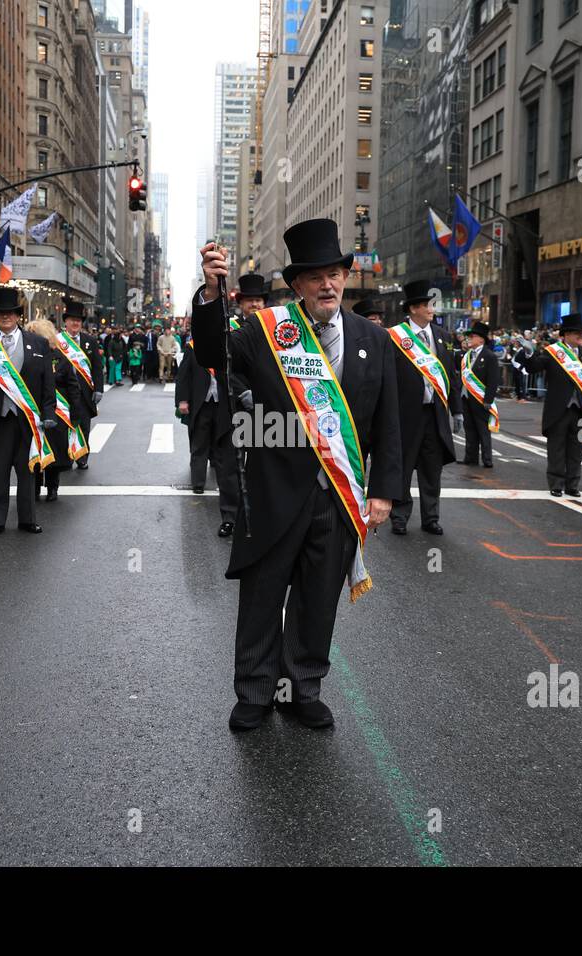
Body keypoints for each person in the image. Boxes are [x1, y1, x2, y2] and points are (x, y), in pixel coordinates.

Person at [191, 218, 401, 732]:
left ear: (344, 278)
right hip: (274, 491)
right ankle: (256, 691)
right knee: (264, 594)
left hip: (338, 498)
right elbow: (213, 351)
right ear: (298, 285)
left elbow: (389, 421)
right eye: (315, 276)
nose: (327, 284)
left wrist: (385, 493)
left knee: (317, 599)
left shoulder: (373, 339)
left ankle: (302, 686)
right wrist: (212, 292)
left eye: (334, 273)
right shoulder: (269, 332)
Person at [0, 286, 57, 533]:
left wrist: (49, 414)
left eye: (10, 313)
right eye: (0, 313)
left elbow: (47, 385)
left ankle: (27, 519)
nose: (5, 317)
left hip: (29, 420)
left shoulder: (38, 343)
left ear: (18, 316)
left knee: (28, 470)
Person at [387, 279, 461, 536]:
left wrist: (457, 410)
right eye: (428, 305)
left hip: (434, 413)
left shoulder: (442, 337)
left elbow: (452, 376)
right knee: (403, 466)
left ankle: (431, 517)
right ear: (414, 309)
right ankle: (399, 516)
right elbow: (387, 378)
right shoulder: (394, 336)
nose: (433, 309)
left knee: (432, 468)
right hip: (406, 413)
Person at [175, 330, 241, 536]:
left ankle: (225, 487)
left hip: (223, 406)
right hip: (201, 404)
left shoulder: (230, 345)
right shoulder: (193, 347)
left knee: (223, 449)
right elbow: (184, 375)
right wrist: (183, 400)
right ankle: (198, 482)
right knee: (199, 443)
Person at [530, 314, 582, 496]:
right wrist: (529, 353)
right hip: (558, 409)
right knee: (556, 449)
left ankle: (573, 484)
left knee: (577, 449)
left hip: (581, 410)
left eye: (581, 332)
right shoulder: (553, 352)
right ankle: (556, 483)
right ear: (566, 334)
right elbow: (534, 367)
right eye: (576, 332)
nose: (580, 336)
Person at [26, 317, 82, 502]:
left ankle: (52, 488)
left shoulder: (61, 358)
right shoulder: (27, 357)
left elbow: (73, 387)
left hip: (57, 413)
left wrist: (75, 413)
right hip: (34, 411)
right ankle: (33, 489)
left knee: (55, 455)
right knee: (34, 452)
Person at [58, 299, 103, 469]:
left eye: (78, 320)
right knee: (65, 426)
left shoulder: (90, 341)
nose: (75, 323)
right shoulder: (57, 341)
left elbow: (98, 367)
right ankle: (67, 457)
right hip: (63, 392)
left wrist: (99, 389)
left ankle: (82, 457)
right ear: (66, 322)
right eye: (72, 320)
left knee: (83, 426)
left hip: (84, 392)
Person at [460, 321, 500, 468]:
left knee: (483, 430)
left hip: (480, 398)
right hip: (466, 397)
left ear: (481, 339)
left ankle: (487, 459)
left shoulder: (489, 356)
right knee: (469, 428)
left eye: (473, 336)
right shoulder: (467, 355)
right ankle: (470, 457)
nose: (470, 338)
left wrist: (489, 399)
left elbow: (493, 379)